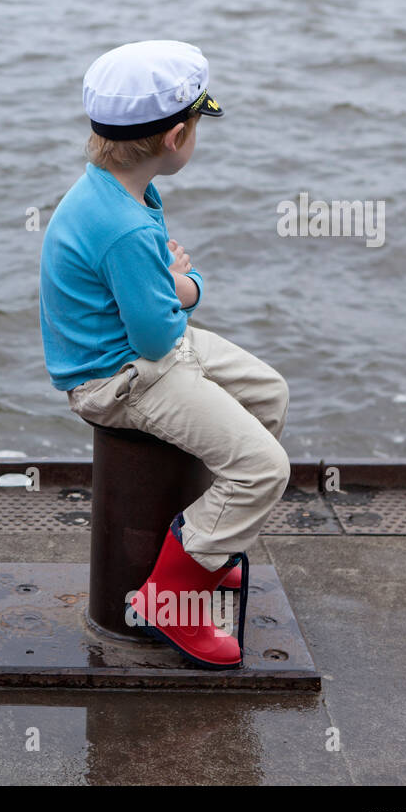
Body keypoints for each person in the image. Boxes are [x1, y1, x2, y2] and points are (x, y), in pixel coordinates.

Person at [38, 40, 290, 669]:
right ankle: (172, 592)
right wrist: (185, 286)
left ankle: (202, 547)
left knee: (268, 395)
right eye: (199, 124)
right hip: (118, 375)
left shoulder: (121, 192)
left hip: (145, 349)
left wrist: (171, 288)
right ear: (177, 136)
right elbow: (157, 329)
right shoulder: (122, 224)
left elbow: (158, 301)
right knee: (265, 469)